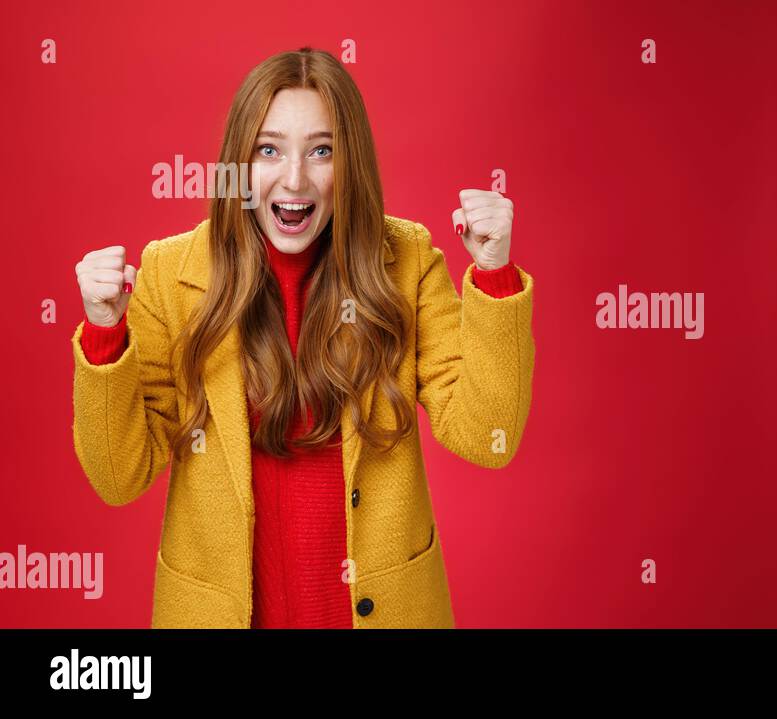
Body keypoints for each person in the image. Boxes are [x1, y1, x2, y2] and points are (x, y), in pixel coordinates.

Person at [70, 47, 535, 628]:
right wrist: (105, 334)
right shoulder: (170, 274)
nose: (295, 178)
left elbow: (487, 438)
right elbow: (119, 477)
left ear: (351, 164)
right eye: (269, 149)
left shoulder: (406, 261)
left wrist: (493, 275)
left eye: (322, 151)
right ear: (239, 165)